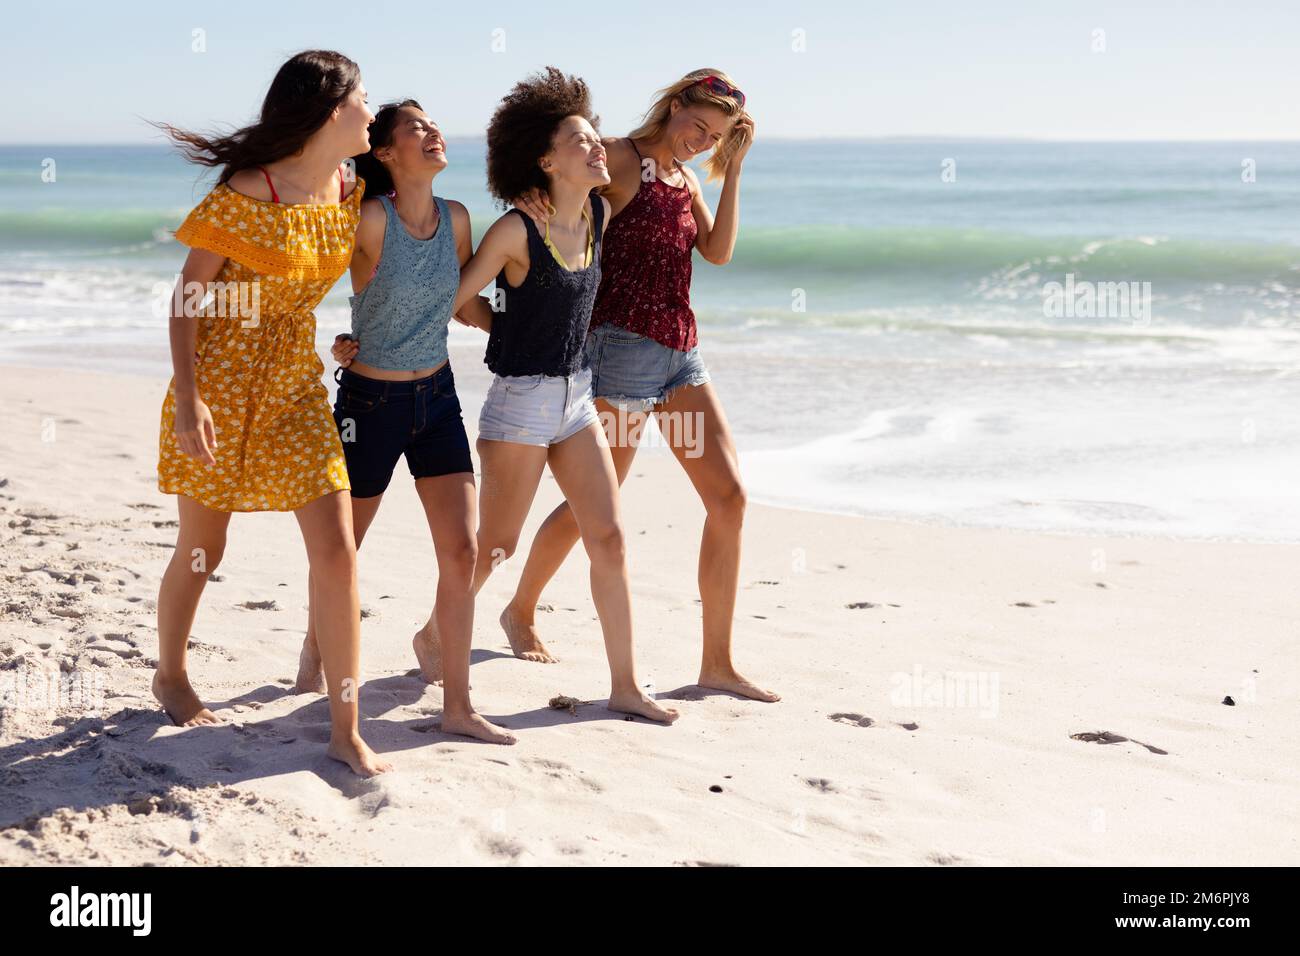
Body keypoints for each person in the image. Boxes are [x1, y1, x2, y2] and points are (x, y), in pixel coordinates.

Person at [153, 50, 391, 775]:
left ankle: (344, 727)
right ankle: (171, 674)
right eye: (362, 98)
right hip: (220, 386)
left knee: (337, 551)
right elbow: (190, 297)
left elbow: (405, 223)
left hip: (296, 386)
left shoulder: (352, 186)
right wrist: (189, 396)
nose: (371, 110)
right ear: (328, 110)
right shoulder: (251, 189)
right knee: (204, 550)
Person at [295, 98, 513, 744]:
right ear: (386, 152)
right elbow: (310, 282)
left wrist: (517, 340)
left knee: (464, 550)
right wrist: (338, 338)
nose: (432, 131)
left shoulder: (457, 220)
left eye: (432, 122)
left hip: (437, 399)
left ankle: (458, 703)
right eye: (414, 127)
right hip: (370, 405)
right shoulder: (368, 220)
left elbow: (462, 305)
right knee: (344, 551)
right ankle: (315, 647)